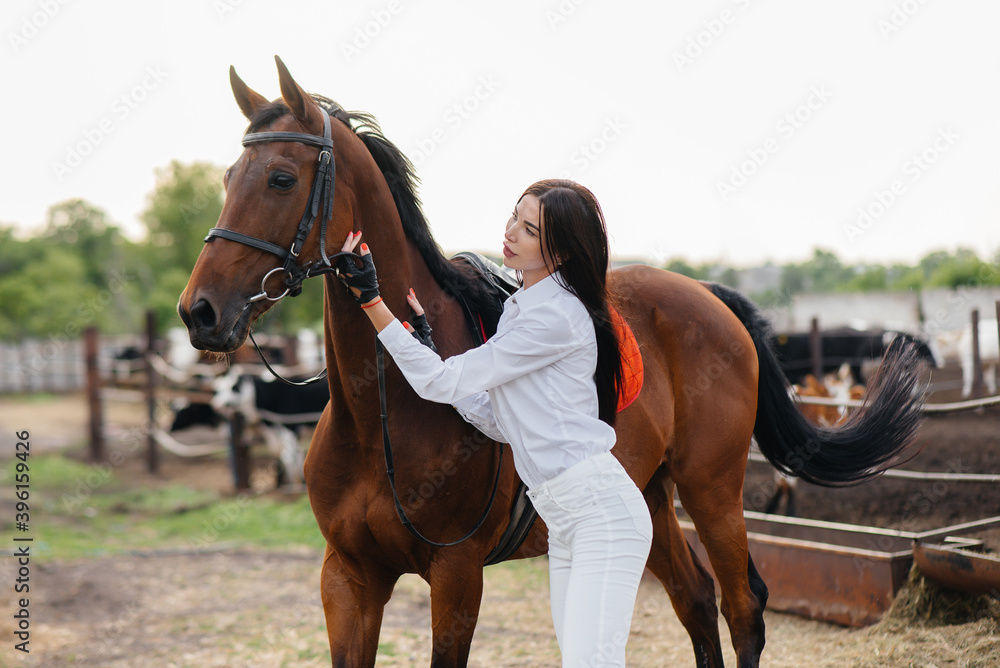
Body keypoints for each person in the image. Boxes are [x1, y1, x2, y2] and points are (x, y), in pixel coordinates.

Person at [338, 179, 653, 667]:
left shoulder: (553, 316)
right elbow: (495, 419)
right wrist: (427, 343)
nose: (511, 233)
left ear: (562, 252)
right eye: (514, 217)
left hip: (601, 517)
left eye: (530, 230)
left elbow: (439, 385)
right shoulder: (519, 309)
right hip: (567, 520)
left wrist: (373, 304)